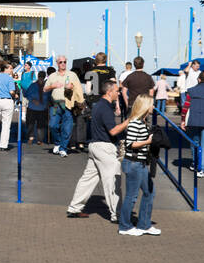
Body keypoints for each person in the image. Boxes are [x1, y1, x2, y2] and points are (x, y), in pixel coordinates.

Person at [66, 80, 125, 221]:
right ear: (109, 92)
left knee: (88, 179)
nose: (119, 93)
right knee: (112, 179)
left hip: (94, 146)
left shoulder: (99, 105)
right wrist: (128, 122)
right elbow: (113, 130)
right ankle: (117, 214)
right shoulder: (106, 108)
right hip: (104, 147)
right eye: (117, 91)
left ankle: (74, 207)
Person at [118, 94, 160, 236]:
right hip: (133, 163)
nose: (153, 107)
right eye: (151, 104)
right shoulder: (135, 122)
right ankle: (125, 226)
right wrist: (147, 142)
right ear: (145, 106)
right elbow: (130, 144)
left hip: (140, 163)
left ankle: (144, 224)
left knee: (149, 192)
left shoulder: (142, 122)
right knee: (132, 195)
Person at [45, 57, 84, 157]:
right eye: (61, 62)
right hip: (55, 105)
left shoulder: (72, 75)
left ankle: (63, 148)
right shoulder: (52, 76)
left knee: (67, 128)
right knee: (52, 125)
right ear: (57, 63)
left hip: (68, 105)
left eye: (65, 62)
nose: (63, 64)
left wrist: (80, 100)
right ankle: (58, 143)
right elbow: (45, 89)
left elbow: (79, 88)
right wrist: (52, 86)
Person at [24, 70, 48, 144]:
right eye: (40, 76)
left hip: (42, 109)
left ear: (44, 77)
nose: (41, 78)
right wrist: (32, 99)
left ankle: (40, 140)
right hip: (32, 108)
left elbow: (49, 96)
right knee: (30, 124)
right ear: (38, 77)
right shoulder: (33, 85)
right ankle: (31, 137)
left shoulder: (47, 86)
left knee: (41, 125)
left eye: (42, 77)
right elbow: (26, 94)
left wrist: (47, 103)